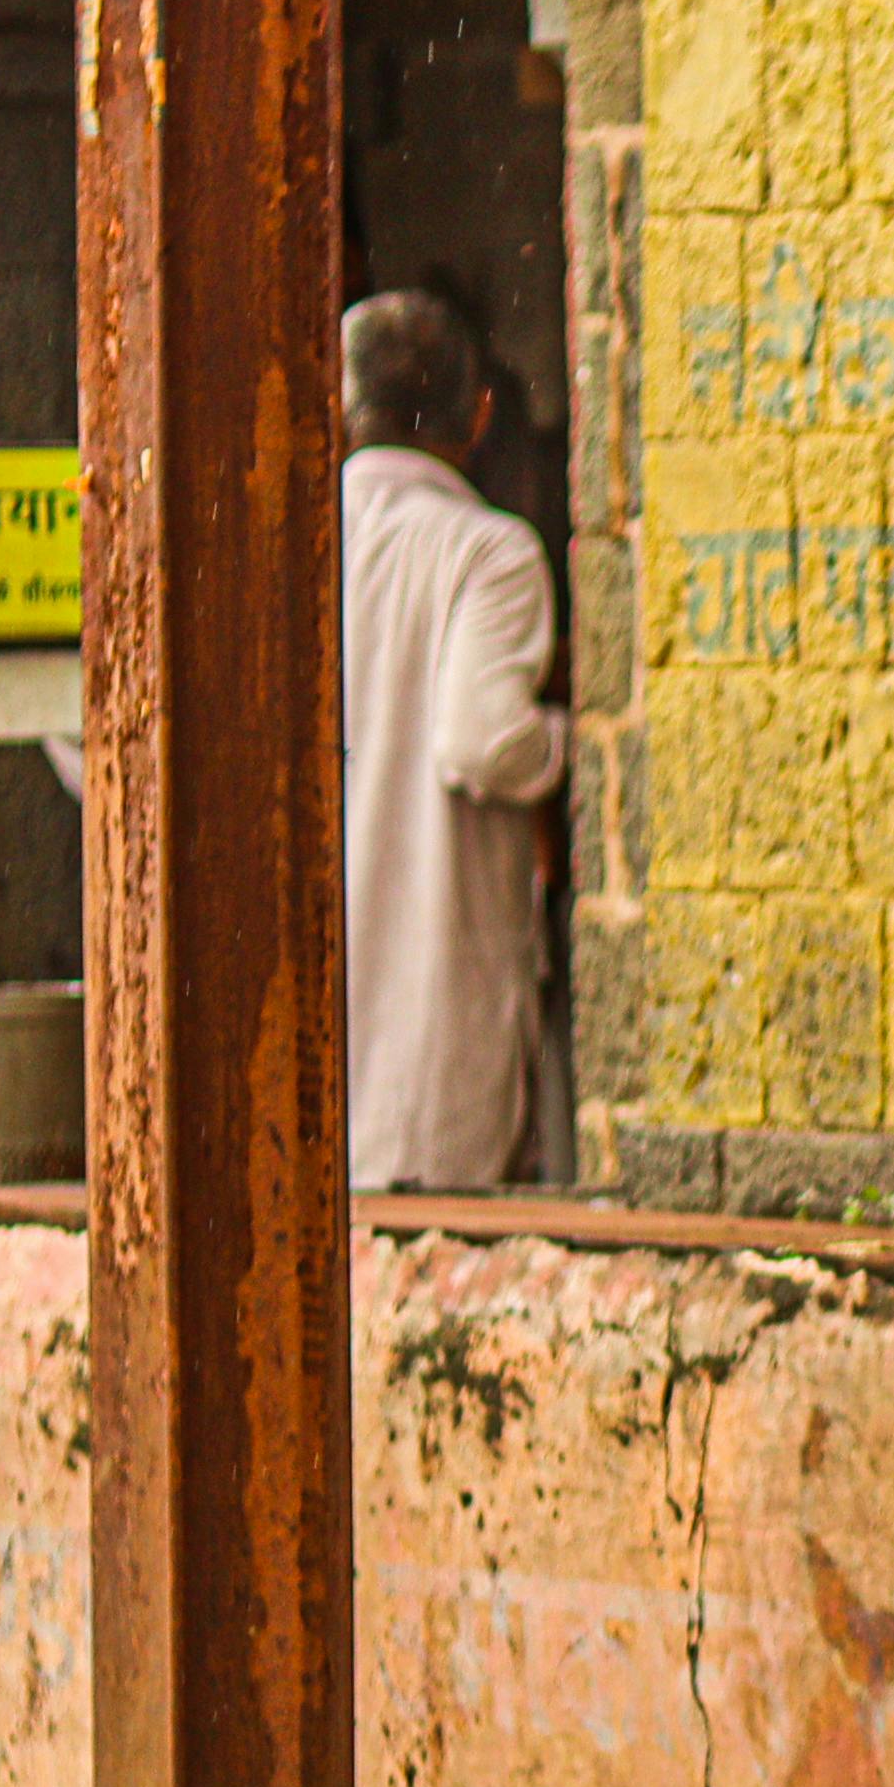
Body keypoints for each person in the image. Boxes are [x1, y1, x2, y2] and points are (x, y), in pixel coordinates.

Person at [338, 291, 567, 1192]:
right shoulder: (486, 553)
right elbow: (483, 744)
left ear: (339, 409)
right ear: (478, 415)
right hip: (427, 1048)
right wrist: (578, 742)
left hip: (296, 1054)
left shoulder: (272, 548)